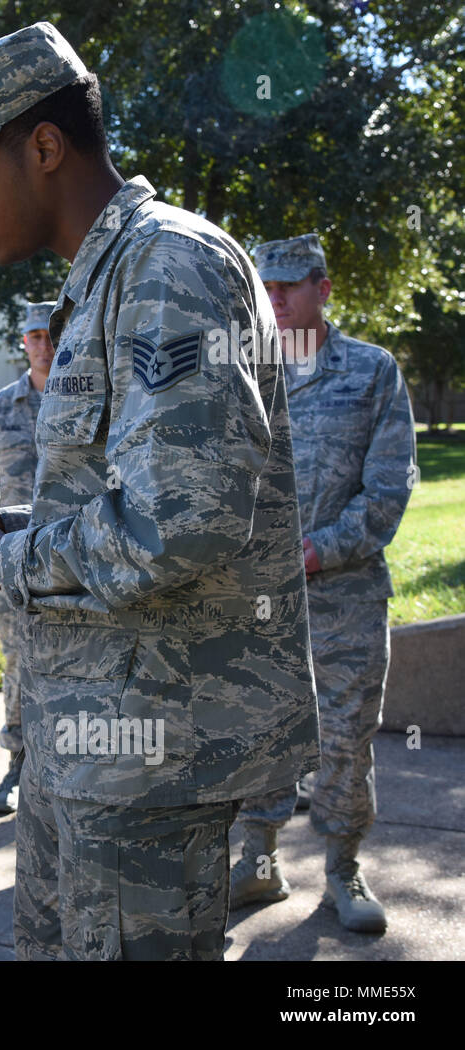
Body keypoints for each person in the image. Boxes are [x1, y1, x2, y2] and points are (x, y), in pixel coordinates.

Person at [0, 23, 320, 961]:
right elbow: (126, 495)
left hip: (151, 759)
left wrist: (0, 559)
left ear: (44, 147)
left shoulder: (167, 266)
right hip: (91, 743)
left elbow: (183, 525)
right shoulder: (102, 282)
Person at [230, 234, 415, 933]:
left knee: (344, 736)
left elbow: (388, 492)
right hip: (257, 599)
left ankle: (342, 867)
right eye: (265, 287)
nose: (274, 299)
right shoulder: (242, 373)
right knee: (258, 729)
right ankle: (257, 859)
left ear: (323, 289)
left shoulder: (371, 372)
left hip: (344, 598)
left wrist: (316, 552)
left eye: (289, 285)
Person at [0, 300, 55, 814]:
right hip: (15, 563)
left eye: (53, 335)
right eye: (35, 337)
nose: (44, 346)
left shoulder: (99, 401)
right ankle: (17, 764)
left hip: (80, 557)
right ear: (22, 343)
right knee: (17, 665)